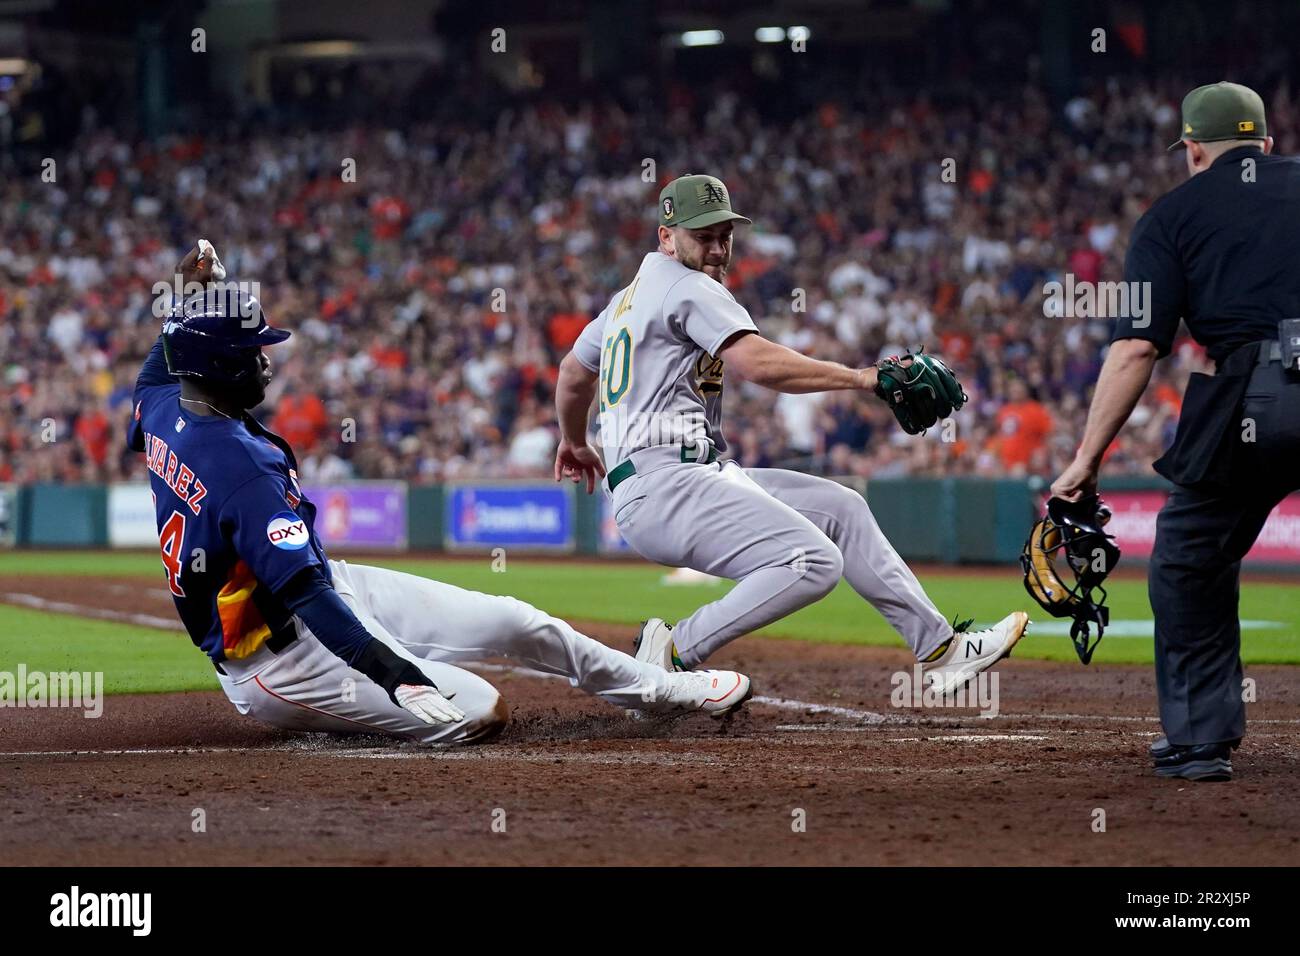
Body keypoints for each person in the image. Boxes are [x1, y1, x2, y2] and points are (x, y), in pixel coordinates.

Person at [127, 243, 752, 746]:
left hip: (324, 590)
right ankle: (333, 733)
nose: (267, 363)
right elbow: (306, 597)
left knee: (516, 618)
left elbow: (164, 356)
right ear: (219, 366)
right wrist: (393, 675)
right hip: (278, 660)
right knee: (476, 711)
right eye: (254, 352)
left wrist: (198, 299)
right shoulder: (242, 470)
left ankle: (659, 687)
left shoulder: (163, 402)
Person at [553, 174, 1028, 692]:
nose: (716, 250)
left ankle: (940, 650)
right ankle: (672, 652)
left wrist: (574, 441)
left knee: (842, 509)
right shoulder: (687, 287)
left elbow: (573, 374)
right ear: (666, 237)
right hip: (668, 482)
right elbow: (758, 364)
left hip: (681, 477)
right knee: (814, 560)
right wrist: (862, 377)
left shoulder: (626, 300)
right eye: (701, 236)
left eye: (723, 235)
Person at [1051, 82, 1300, 781]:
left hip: (1257, 398)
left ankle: (1201, 741)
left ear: (1192, 149)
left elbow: (1136, 349)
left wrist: (1085, 460)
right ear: (1267, 144)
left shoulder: (1171, 217)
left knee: (1191, 556)